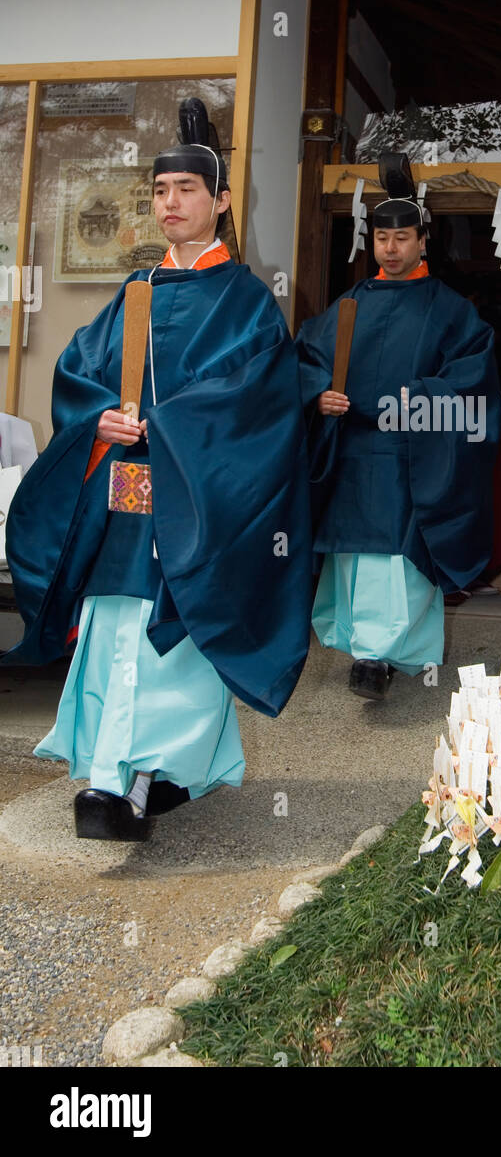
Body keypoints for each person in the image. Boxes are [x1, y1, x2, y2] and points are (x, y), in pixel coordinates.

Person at [3, 132, 312, 840]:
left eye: (188, 190)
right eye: (161, 191)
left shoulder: (247, 303)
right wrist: (95, 424)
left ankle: (131, 778)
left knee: (173, 632)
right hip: (124, 494)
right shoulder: (134, 294)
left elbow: (258, 404)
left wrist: (172, 429)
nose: (171, 203)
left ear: (221, 201)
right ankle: (116, 774)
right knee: (114, 624)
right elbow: (83, 374)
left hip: (199, 500)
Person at [295, 187, 501, 699]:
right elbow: (306, 361)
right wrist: (319, 397)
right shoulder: (348, 305)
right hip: (350, 454)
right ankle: (366, 651)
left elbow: (472, 380)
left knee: (396, 564)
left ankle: (377, 655)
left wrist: (417, 402)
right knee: (356, 560)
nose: (390, 248)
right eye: (382, 237)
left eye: (402, 237)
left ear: (422, 241)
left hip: (412, 457)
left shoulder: (451, 311)